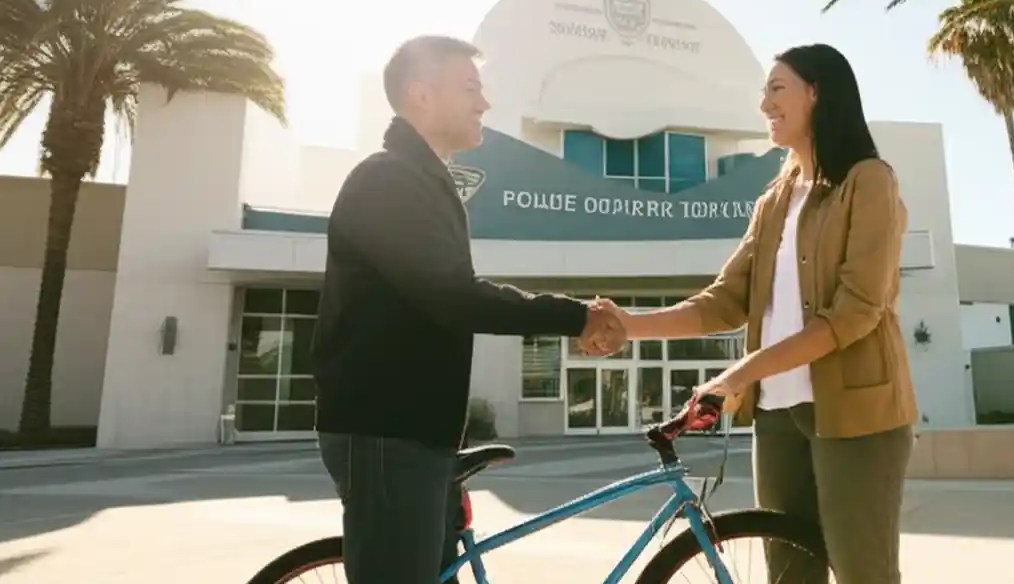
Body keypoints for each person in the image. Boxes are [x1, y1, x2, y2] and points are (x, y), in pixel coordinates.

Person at [311, 35, 624, 584]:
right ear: (421, 97)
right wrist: (573, 316)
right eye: (471, 88)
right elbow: (454, 296)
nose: (484, 103)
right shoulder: (388, 181)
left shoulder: (422, 180)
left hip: (416, 436)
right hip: (387, 433)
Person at [600, 43, 918, 584]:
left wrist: (739, 373)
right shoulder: (775, 198)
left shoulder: (869, 181)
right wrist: (628, 324)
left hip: (856, 416)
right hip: (777, 416)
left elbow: (856, 312)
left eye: (777, 88)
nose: (764, 104)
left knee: (864, 572)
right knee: (789, 575)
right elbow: (724, 300)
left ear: (816, 93)